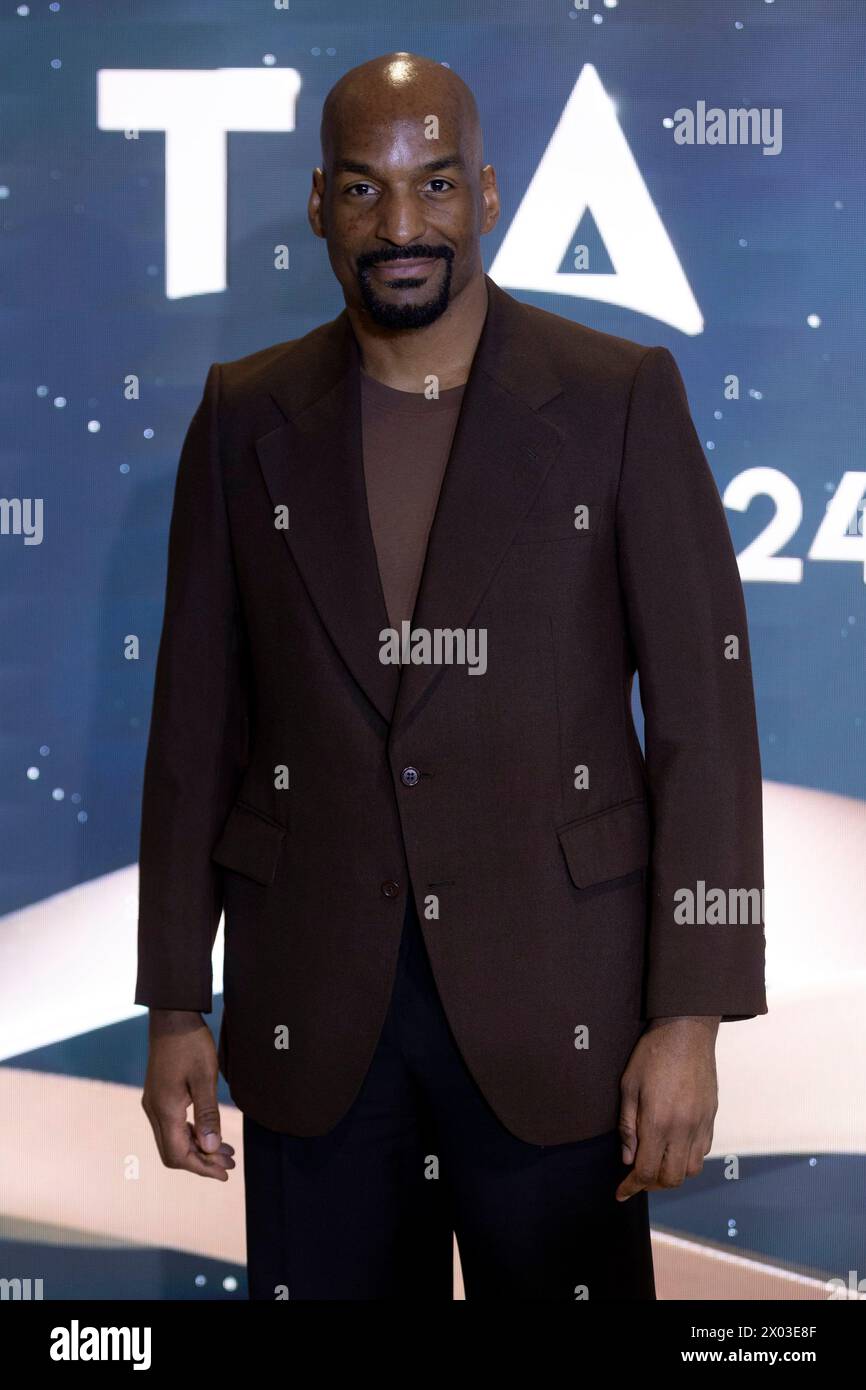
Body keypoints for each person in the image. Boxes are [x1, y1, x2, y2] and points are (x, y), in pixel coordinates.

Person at [136, 52, 766, 1301]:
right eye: (365, 192)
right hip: (314, 1018)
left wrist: (688, 1016)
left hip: (561, 1015)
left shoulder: (616, 397)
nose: (402, 225)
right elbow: (193, 729)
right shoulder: (241, 417)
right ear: (320, 205)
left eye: (433, 185)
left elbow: (705, 720)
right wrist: (172, 1003)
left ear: (484, 191)